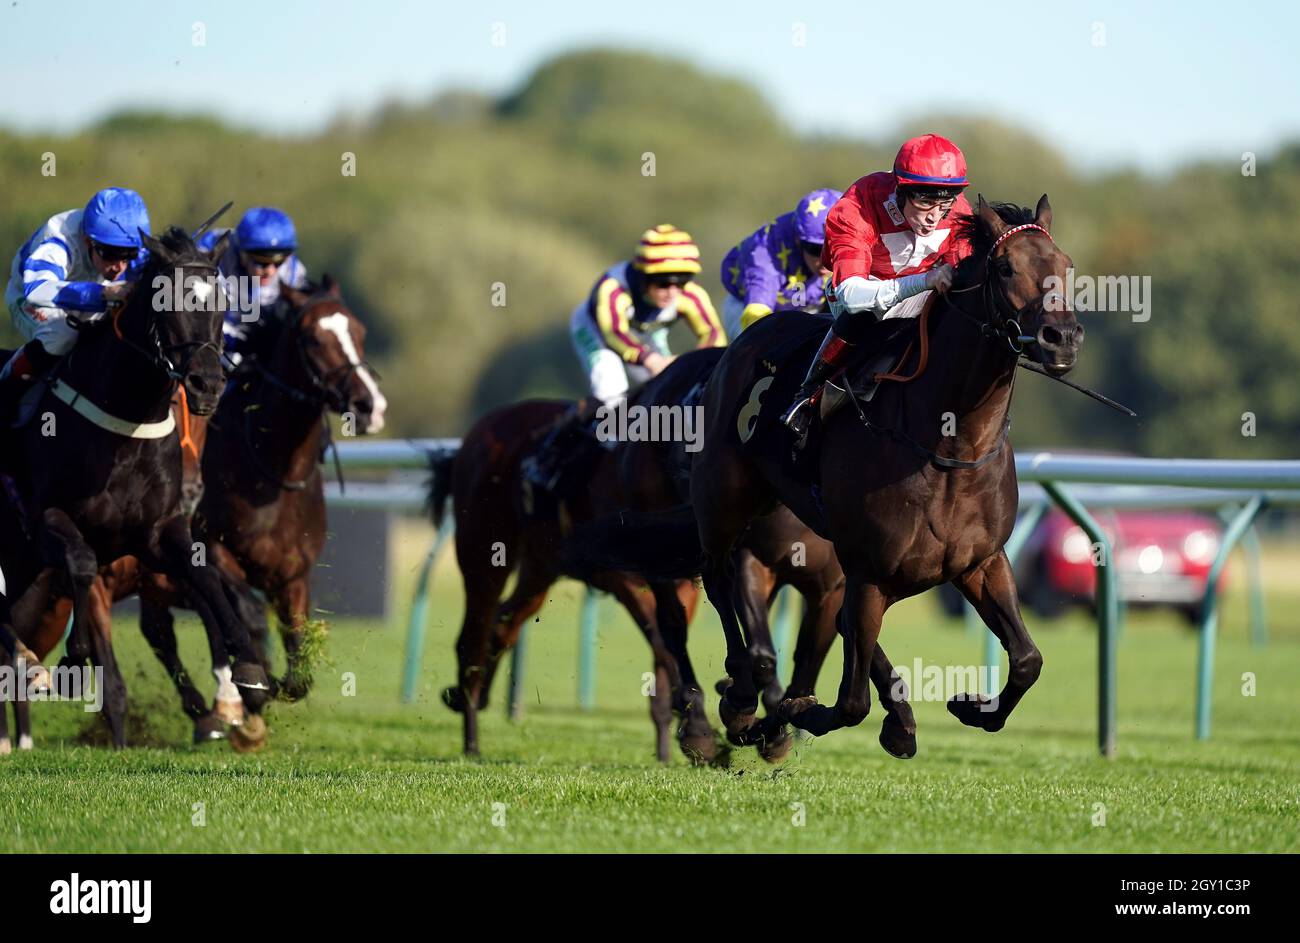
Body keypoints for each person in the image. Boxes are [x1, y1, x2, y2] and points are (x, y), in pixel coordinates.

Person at [781, 134, 975, 436]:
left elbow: (964, 279)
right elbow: (852, 295)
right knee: (864, 315)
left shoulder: (959, 212)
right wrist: (924, 281)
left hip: (922, 292)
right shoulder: (857, 207)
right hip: (860, 293)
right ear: (900, 189)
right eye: (924, 200)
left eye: (944, 202)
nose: (934, 217)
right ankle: (807, 396)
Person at [524, 224, 726, 492]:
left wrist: (695, 362)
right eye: (663, 281)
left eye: (683, 279)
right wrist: (650, 358)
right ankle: (548, 457)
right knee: (611, 394)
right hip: (597, 330)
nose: (673, 290)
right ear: (643, 276)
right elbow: (614, 333)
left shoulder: (691, 295)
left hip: (644, 334)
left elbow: (712, 334)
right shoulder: (613, 286)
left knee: (672, 389)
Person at [1, 187, 151, 424]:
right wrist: (103, 293)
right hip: (29, 298)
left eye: (128, 256)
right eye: (111, 255)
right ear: (87, 240)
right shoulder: (59, 237)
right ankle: (6, 390)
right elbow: (37, 290)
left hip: (86, 300)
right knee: (62, 334)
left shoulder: (121, 241)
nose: (120, 266)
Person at [719, 187, 842, 338]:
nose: (825, 260)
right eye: (815, 249)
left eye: (835, 248)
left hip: (810, 306)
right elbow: (756, 315)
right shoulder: (766, 251)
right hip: (747, 306)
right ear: (798, 239)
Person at [199, 206, 308, 369]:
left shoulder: (293, 271)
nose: (270, 271)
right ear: (242, 253)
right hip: (212, 348)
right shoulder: (209, 259)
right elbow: (197, 321)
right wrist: (237, 342)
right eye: (261, 262)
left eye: (278, 262)